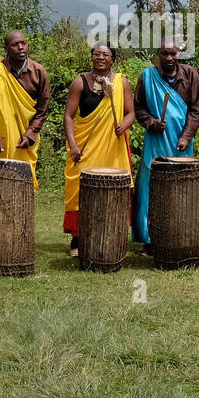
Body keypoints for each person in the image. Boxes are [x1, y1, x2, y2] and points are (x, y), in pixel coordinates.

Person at [63, 44, 135, 256]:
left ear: (113, 59)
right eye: (97, 54)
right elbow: (68, 116)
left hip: (112, 145)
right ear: (92, 57)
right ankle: (78, 239)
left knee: (112, 189)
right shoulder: (80, 82)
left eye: (106, 54)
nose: (101, 57)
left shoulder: (121, 83)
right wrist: (73, 145)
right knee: (81, 188)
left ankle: (110, 235)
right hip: (85, 145)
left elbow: (131, 112)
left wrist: (124, 125)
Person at [132, 39, 199, 252]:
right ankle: (149, 239)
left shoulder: (190, 74)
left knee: (179, 188)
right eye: (165, 53)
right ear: (158, 54)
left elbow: (195, 110)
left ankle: (177, 235)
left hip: (181, 143)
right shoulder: (147, 76)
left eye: (173, 53)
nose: (169, 58)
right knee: (151, 187)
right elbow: (138, 108)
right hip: (156, 141)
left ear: (179, 53)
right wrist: (152, 123)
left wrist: (186, 136)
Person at [0, 30, 50, 189]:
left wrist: (31, 134)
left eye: (23, 43)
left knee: (24, 183)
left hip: (25, 138)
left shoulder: (38, 72)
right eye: (15, 44)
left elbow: (42, 109)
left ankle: (24, 206)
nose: (21, 47)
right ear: (6, 48)